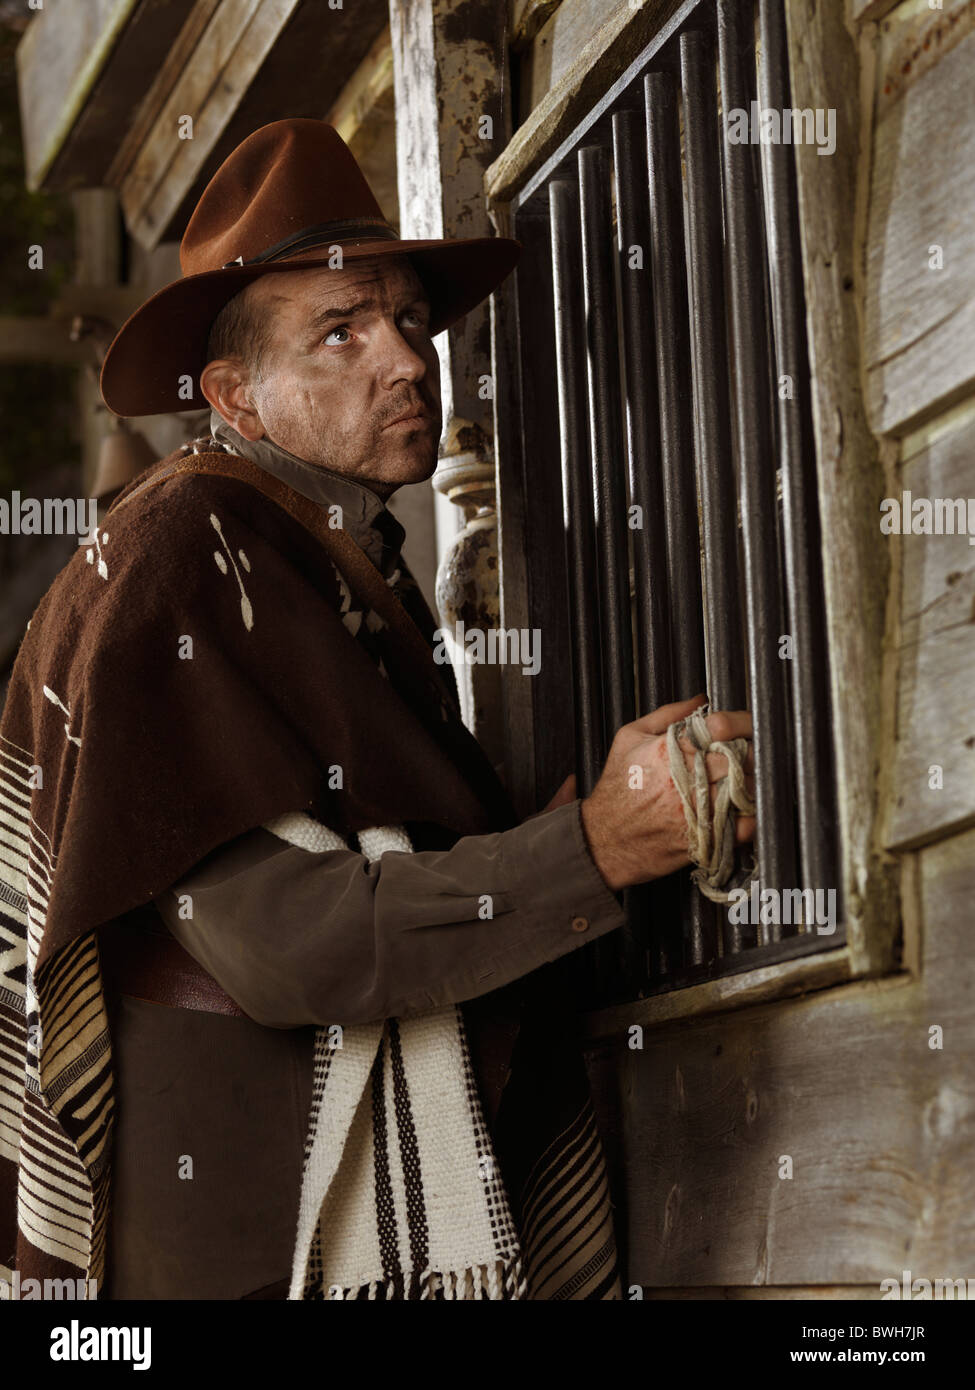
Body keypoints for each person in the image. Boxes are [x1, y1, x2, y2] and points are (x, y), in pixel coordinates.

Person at [0, 120, 754, 1302]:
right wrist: (594, 846)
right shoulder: (179, 553)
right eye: (341, 332)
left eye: (408, 319)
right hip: (255, 1249)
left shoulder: (326, 555)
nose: (404, 359)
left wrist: (558, 830)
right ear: (237, 397)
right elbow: (281, 941)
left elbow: (373, 850)